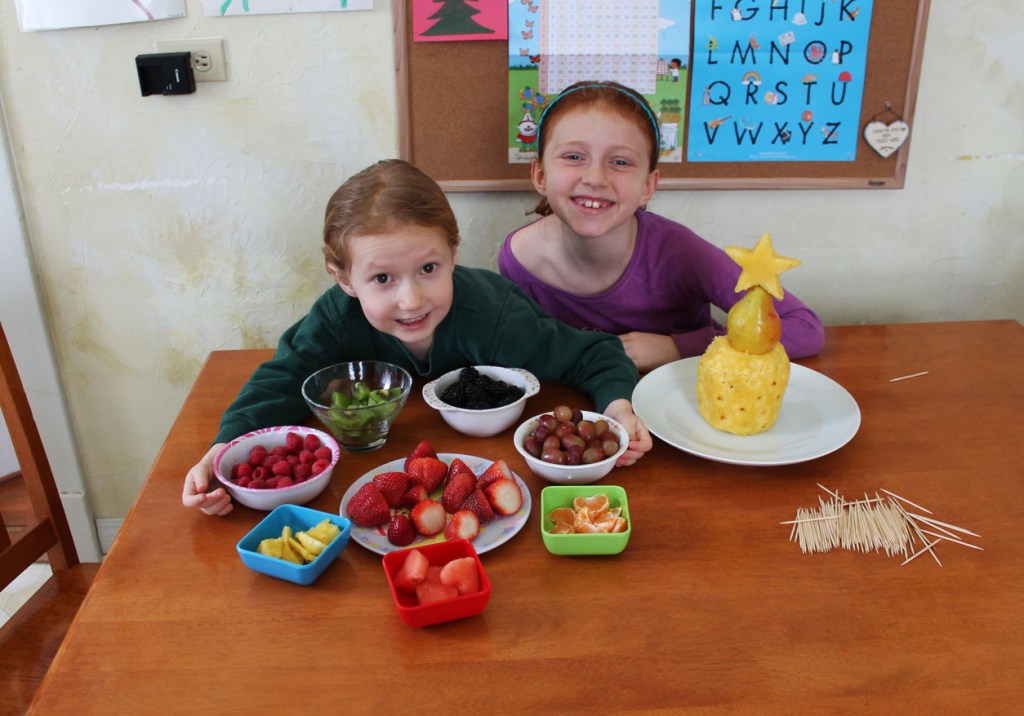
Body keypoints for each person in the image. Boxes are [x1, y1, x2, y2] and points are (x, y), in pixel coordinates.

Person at [183, 159, 652, 516]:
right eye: (382, 279)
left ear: (454, 252)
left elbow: (594, 353)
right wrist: (220, 453)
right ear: (344, 279)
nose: (411, 300)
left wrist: (619, 409)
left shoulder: (496, 316)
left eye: (428, 269)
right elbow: (282, 379)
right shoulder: (335, 317)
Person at [498, 80, 825, 373]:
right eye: (573, 157)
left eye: (620, 162)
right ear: (540, 175)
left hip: (687, 402)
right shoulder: (518, 259)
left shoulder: (682, 253)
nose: (595, 178)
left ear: (648, 185)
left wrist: (678, 348)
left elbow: (804, 328)